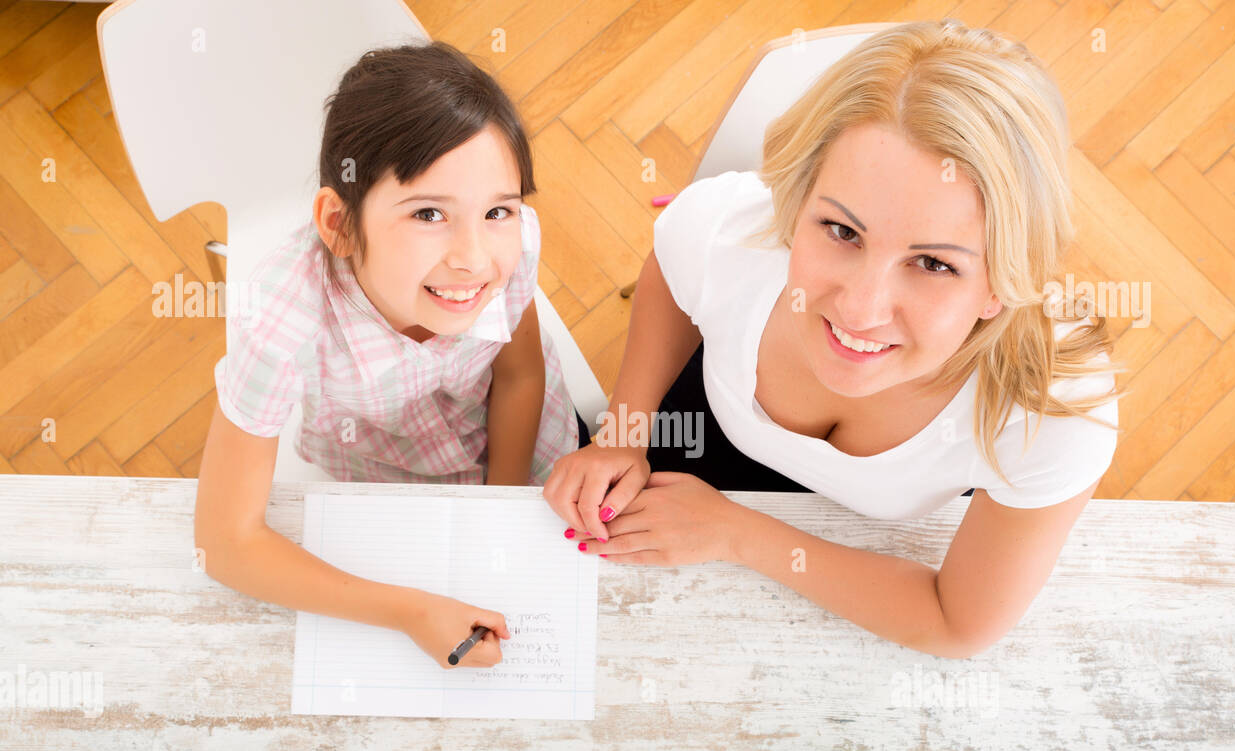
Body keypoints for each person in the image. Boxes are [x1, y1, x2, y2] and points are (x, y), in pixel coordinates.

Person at [544, 19, 1131, 659]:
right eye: (842, 231)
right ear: (796, 203)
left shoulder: (1052, 410)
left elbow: (956, 623)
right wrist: (625, 433)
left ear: (1003, 283)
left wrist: (735, 534)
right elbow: (669, 273)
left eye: (934, 264)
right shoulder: (728, 233)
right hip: (697, 437)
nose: (860, 311)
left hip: (856, 543)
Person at [196, 42, 580, 667]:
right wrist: (411, 611)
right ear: (339, 223)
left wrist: (497, 512)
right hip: (381, 479)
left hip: (525, 452)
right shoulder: (283, 319)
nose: (476, 258)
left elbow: (517, 371)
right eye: (429, 213)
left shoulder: (510, 244)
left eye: (497, 211)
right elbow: (224, 542)